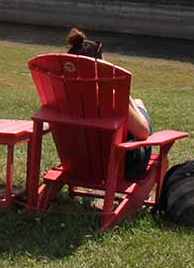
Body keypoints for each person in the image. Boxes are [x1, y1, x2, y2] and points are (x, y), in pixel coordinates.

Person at [65, 28, 153, 180]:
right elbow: (143, 132)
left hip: (79, 163)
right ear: (100, 67)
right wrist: (125, 96)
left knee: (138, 103)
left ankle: (137, 105)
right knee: (140, 109)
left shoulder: (61, 95)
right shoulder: (110, 97)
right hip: (121, 167)